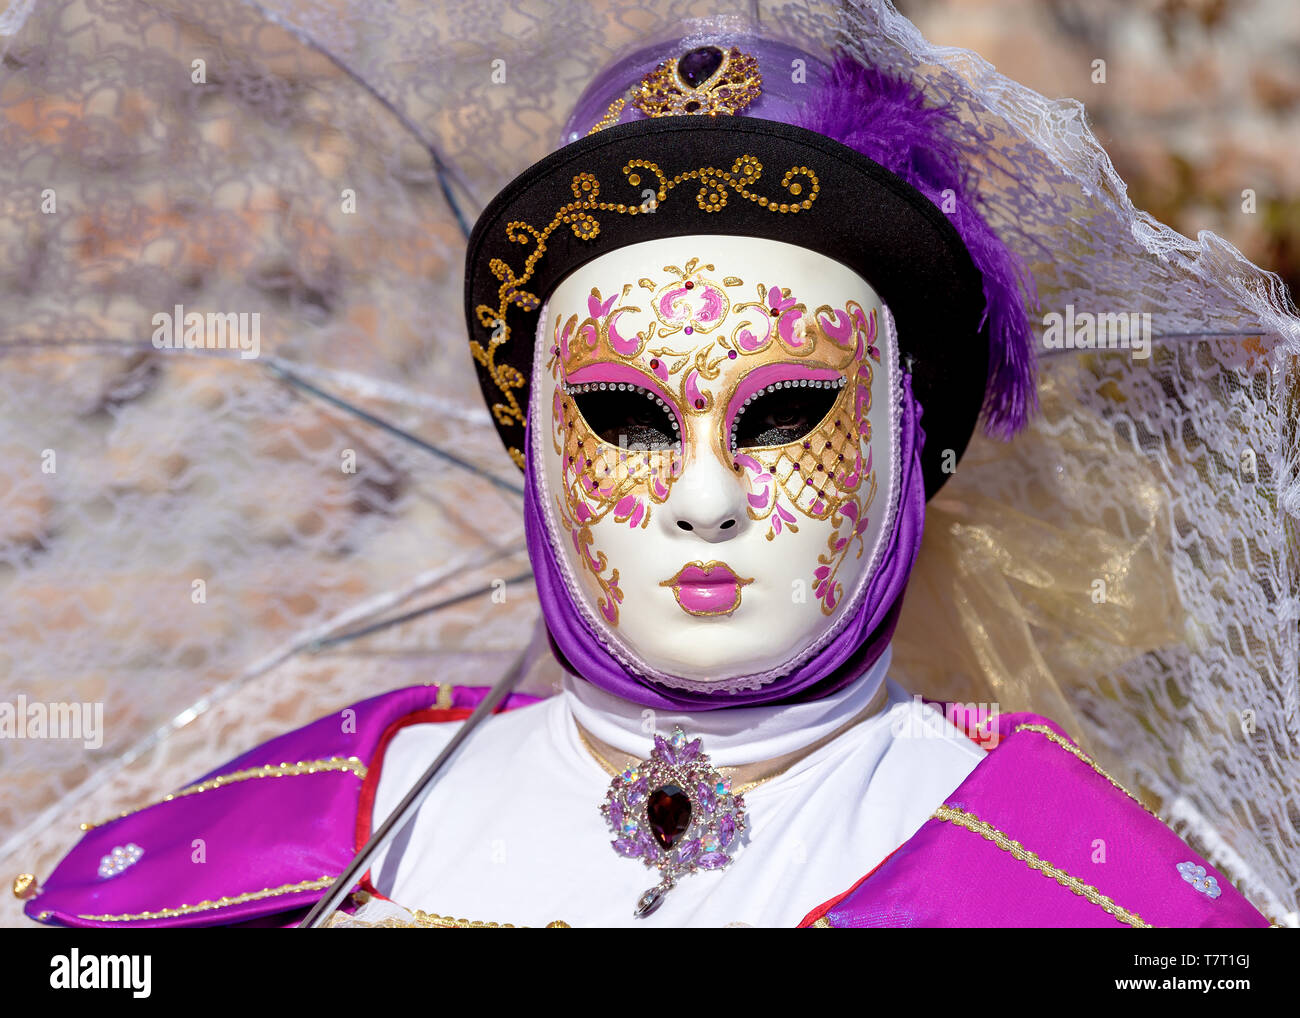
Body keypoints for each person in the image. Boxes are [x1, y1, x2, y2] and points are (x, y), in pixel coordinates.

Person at [18, 25, 1275, 928]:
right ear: (539, 459)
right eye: (625, 417)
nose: (706, 497)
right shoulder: (328, 827)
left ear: (910, 446)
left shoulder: (1064, 887)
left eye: (786, 412)